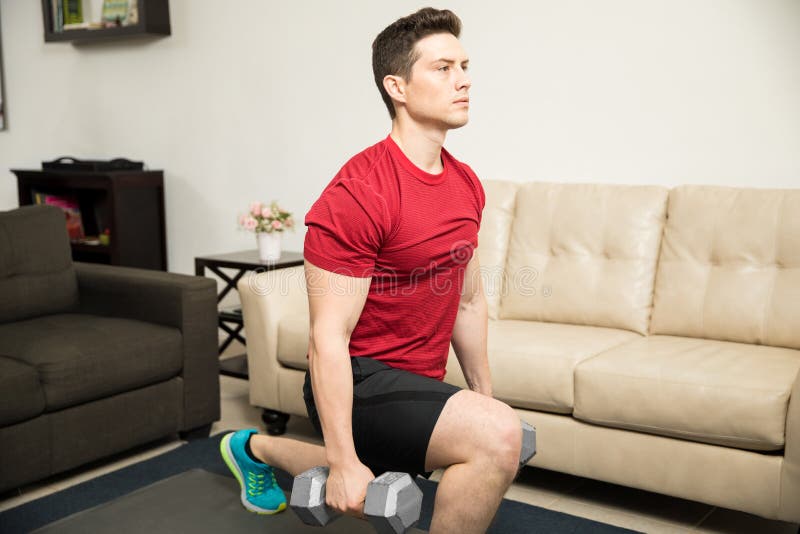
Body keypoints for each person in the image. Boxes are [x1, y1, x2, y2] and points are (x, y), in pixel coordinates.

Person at [220, 8, 523, 533]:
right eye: (444, 68)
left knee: (481, 425)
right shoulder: (359, 194)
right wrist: (340, 461)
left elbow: (468, 300)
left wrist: (482, 396)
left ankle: (254, 447)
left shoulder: (466, 184)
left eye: (465, 66)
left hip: (415, 381)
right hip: (361, 381)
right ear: (397, 86)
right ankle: (331, 452)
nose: (464, 80)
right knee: (499, 436)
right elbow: (327, 338)